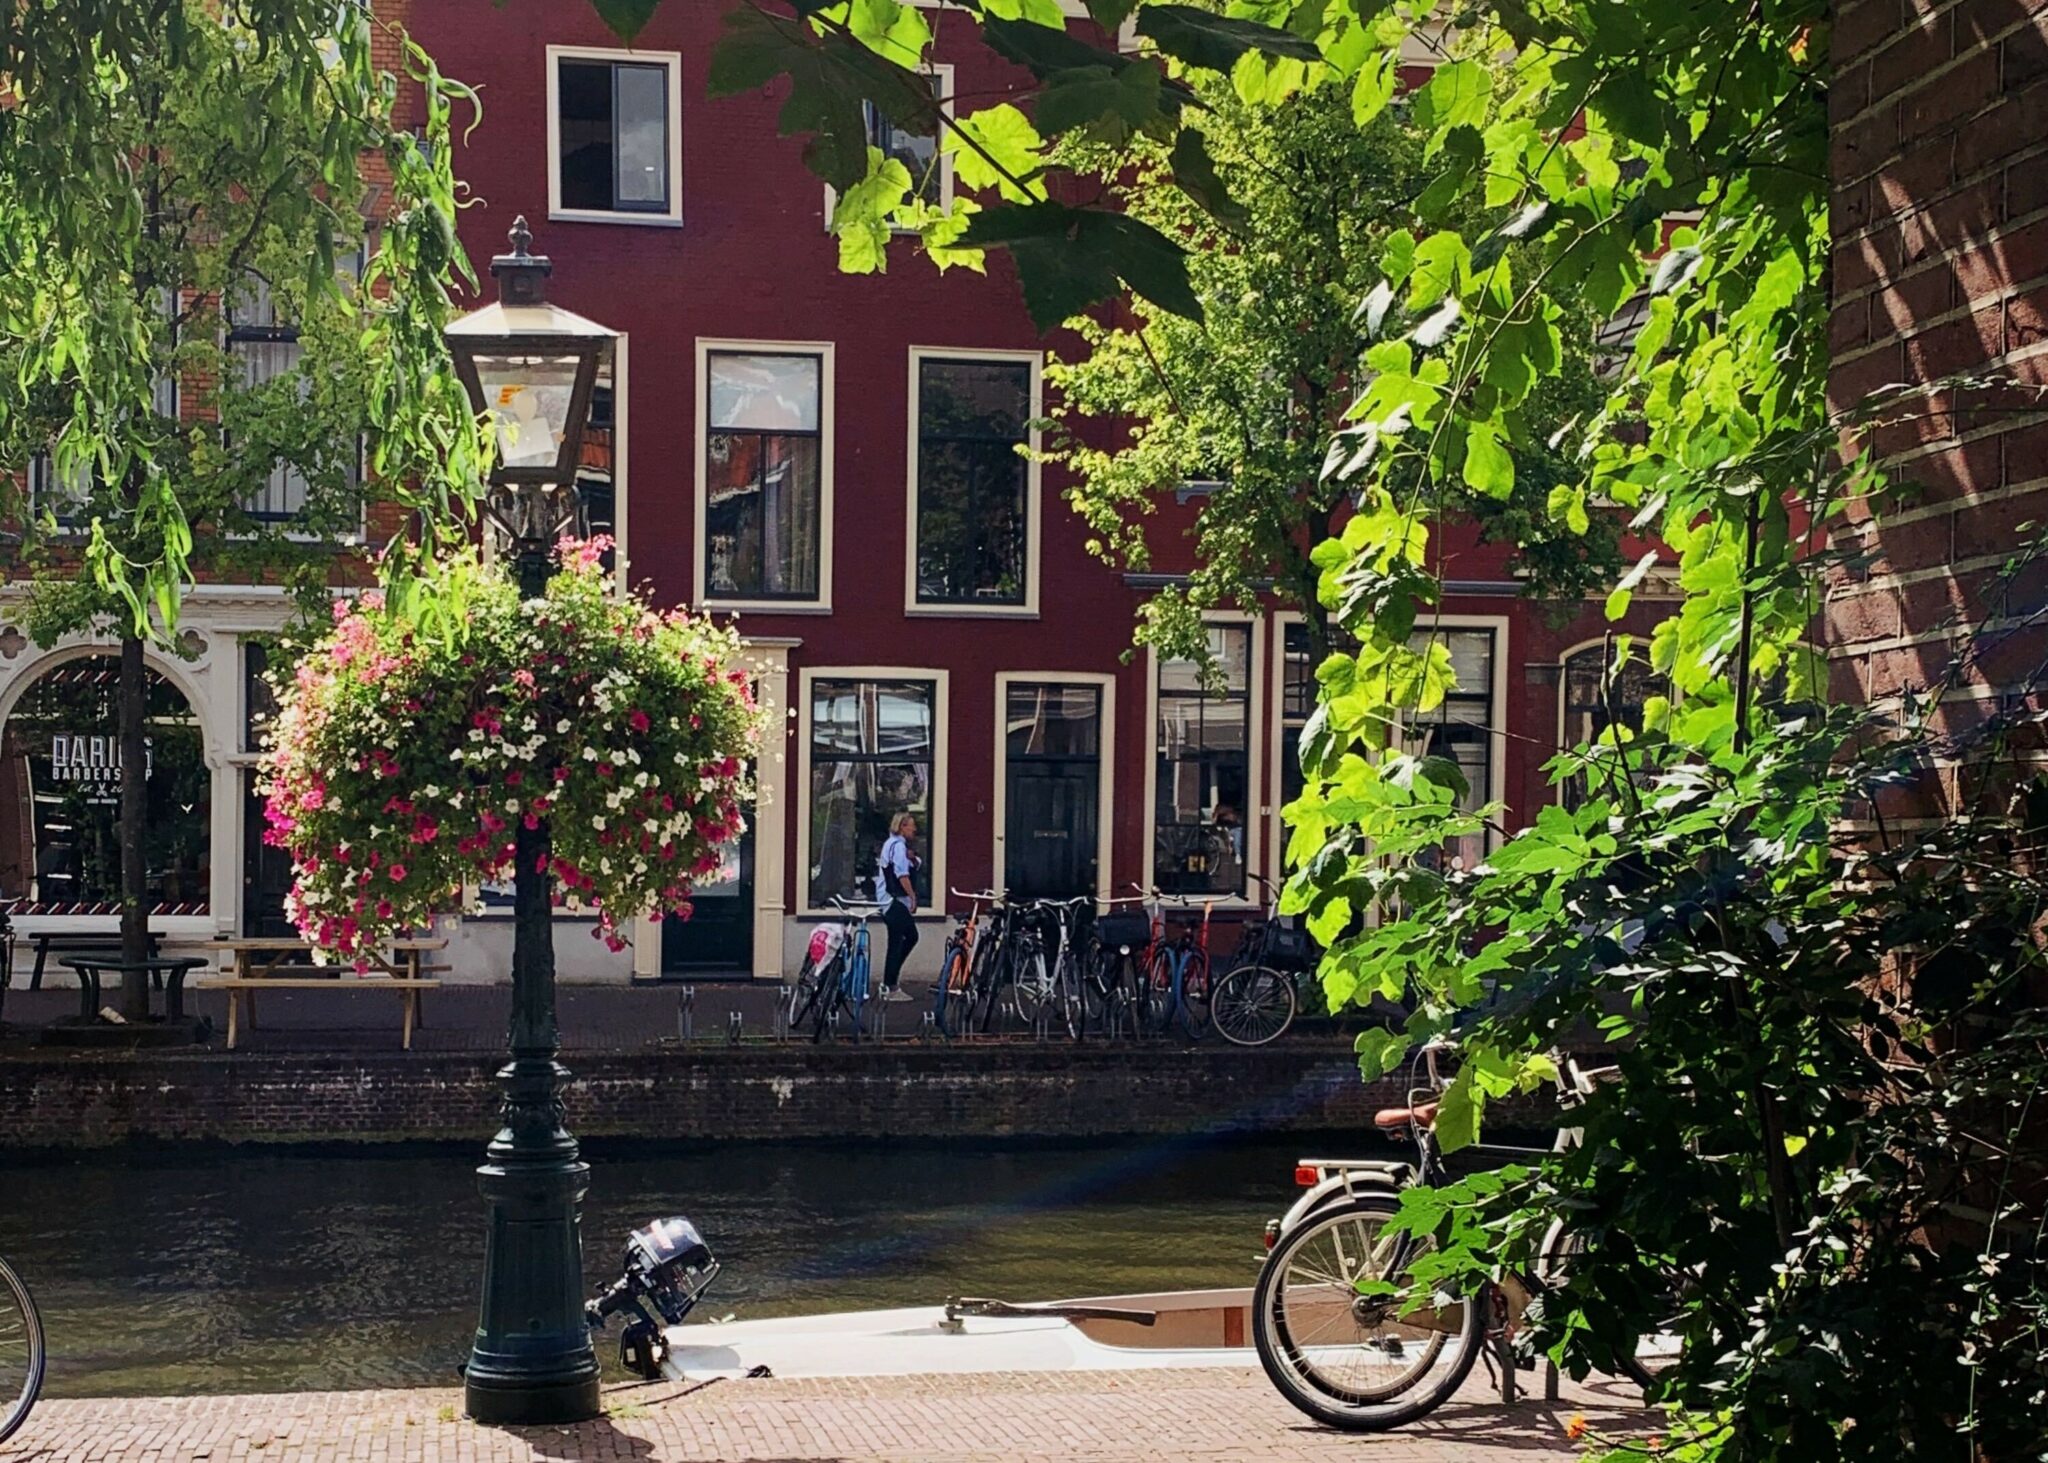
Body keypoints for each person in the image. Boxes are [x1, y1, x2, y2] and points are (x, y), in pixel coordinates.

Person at [874, 812, 921, 1001]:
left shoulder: (890, 844)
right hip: (893, 900)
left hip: (887, 900)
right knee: (908, 937)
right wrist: (913, 896)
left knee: (898, 940)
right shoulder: (899, 846)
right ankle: (890, 986)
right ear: (902, 827)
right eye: (912, 826)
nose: (915, 829)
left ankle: (889, 983)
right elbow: (902, 874)